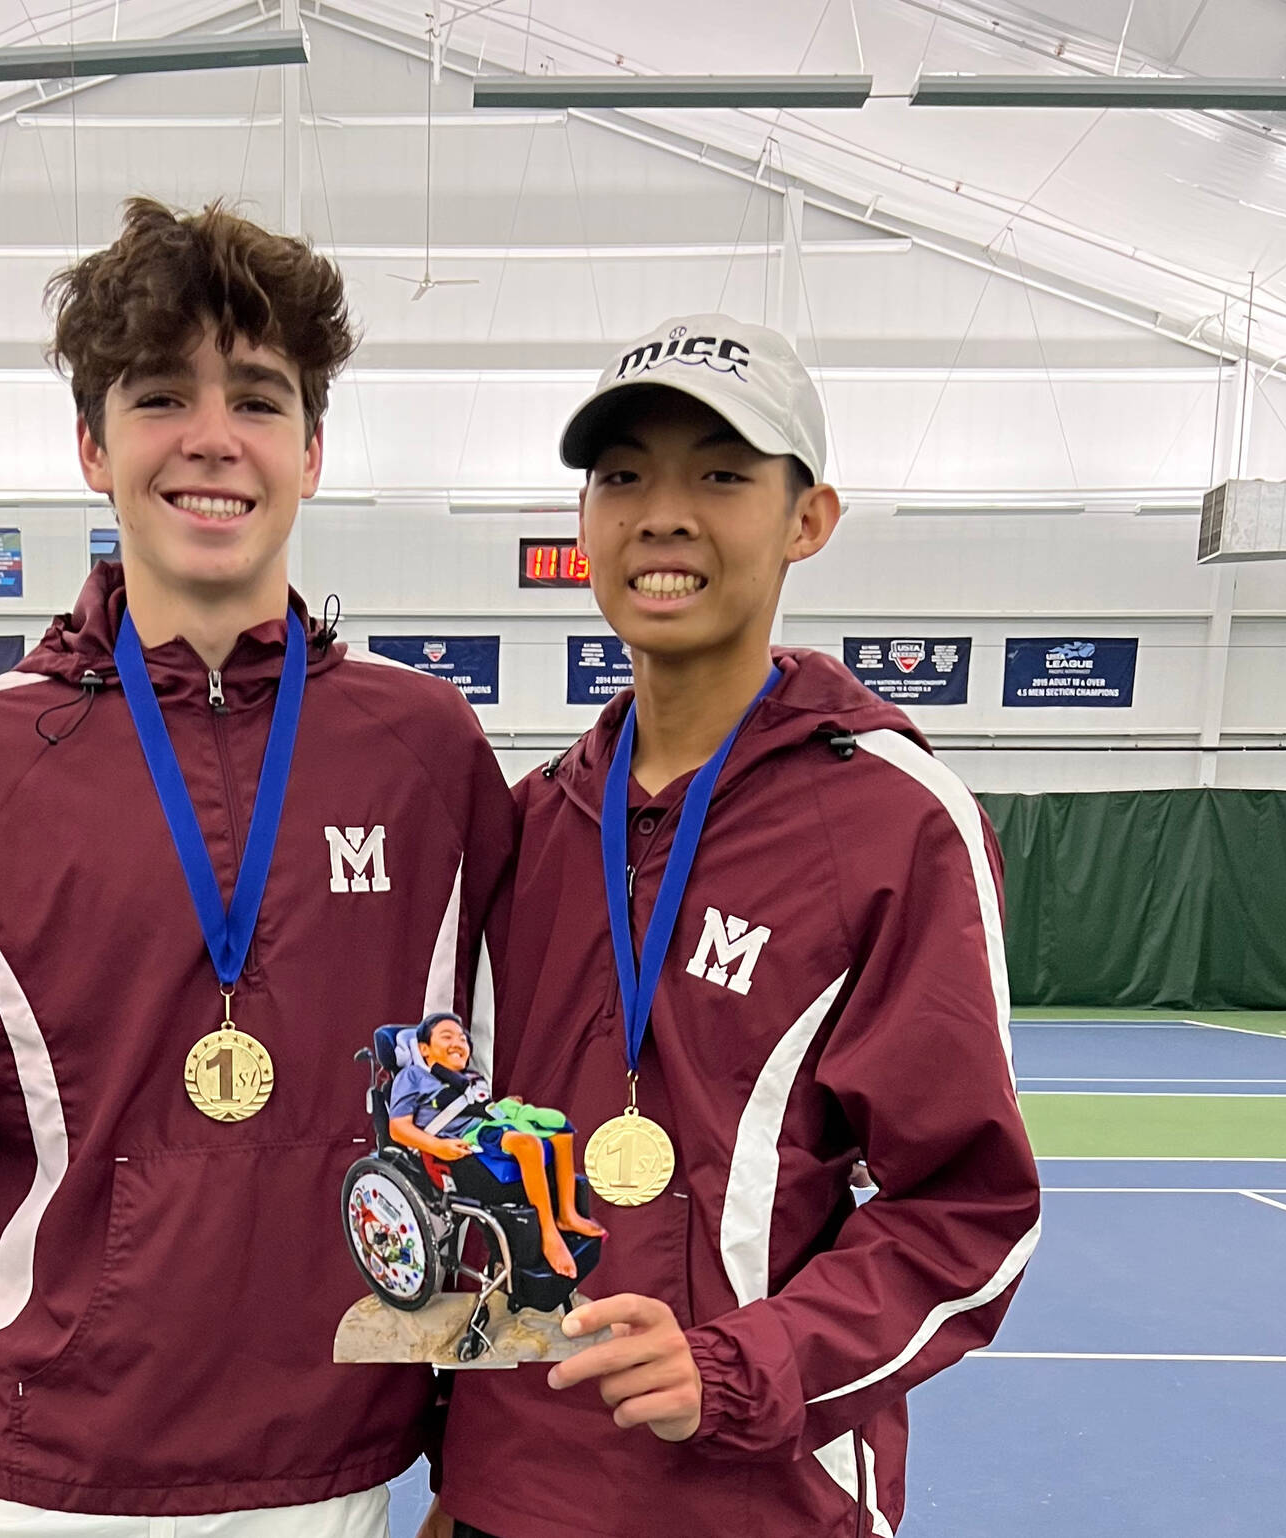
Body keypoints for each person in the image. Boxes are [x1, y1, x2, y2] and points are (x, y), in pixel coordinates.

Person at [0, 198, 513, 1537]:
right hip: (27, 1480)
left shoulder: (425, 747)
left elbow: (492, 1097)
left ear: (313, 453)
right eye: (160, 397)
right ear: (93, 445)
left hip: (342, 1477)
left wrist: (479, 1461)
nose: (212, 436)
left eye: (257, 400)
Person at [434, 314, 1043, 1537]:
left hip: (763, 1500)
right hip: (512, 1497)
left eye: (719, 473)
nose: (662, 513)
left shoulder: (892, 821)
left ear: (805, 519)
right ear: (585, 525)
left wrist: (737, 1363)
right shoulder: (527, 825)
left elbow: (963, 1210)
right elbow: (477, 1165)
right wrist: (465, 1469)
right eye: (622, 477)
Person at [385, 1011, 604, 1277]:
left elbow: (480, 1110)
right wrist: (436, 1146)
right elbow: (398, 1128)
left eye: (463, 1038)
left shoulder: (470, 1078)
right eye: (447, 1036)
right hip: (465, 1139)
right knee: (527, 1144)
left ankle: (567, 1213)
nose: (458, 1042)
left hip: (491, 1125)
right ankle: (549, 1233)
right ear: (424, 1049)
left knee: (559, 1127)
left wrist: (504, 1107)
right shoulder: (412, 1077)